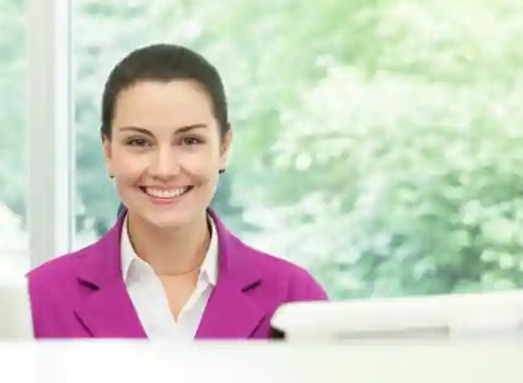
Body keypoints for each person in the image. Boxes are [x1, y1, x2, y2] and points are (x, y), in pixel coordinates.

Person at [27, 43, 327, 339]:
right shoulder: (38, 303)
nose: (165, 169)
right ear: (108, 152)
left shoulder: (295, 300)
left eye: (190, 141)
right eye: (139, 142)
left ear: (223, 148)